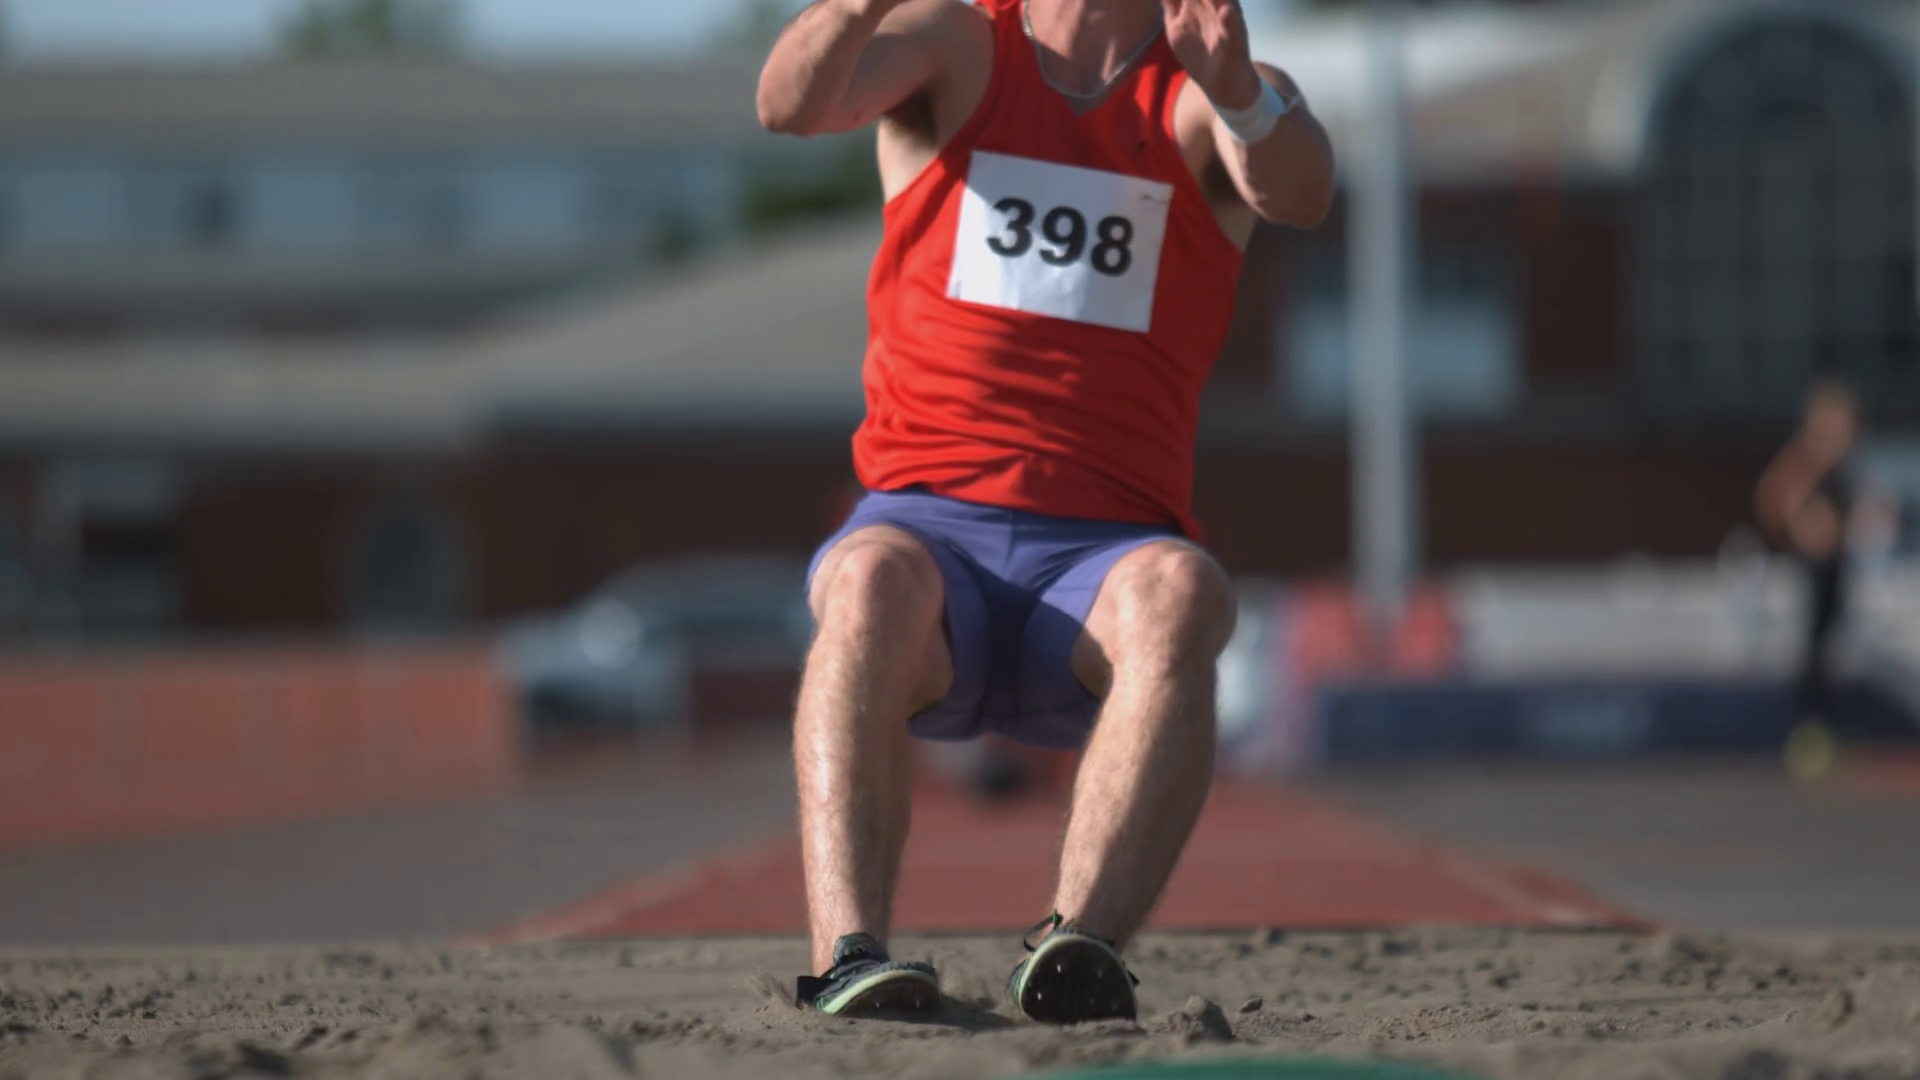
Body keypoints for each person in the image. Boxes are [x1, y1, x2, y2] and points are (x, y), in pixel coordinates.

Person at [758, 0, 1334, 1022]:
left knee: (1183, 589)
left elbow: (1302, 193)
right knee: (866, 579)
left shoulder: (1204, 80)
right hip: (930, 531)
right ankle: (849, 956)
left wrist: (1239, 89)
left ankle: (1080, 946)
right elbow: (788, 109)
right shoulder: (955, 43)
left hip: (1103, 561)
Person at [1756, 380, 1861, 770]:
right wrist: (1804, 525)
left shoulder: (1840, 461)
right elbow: (1774, 495)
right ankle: (1808, 732)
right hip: (1816, 566)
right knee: (1813, 652)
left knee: (1829, 648)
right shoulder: (1807, 456)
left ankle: (1825, 730)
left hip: (1837, 564)